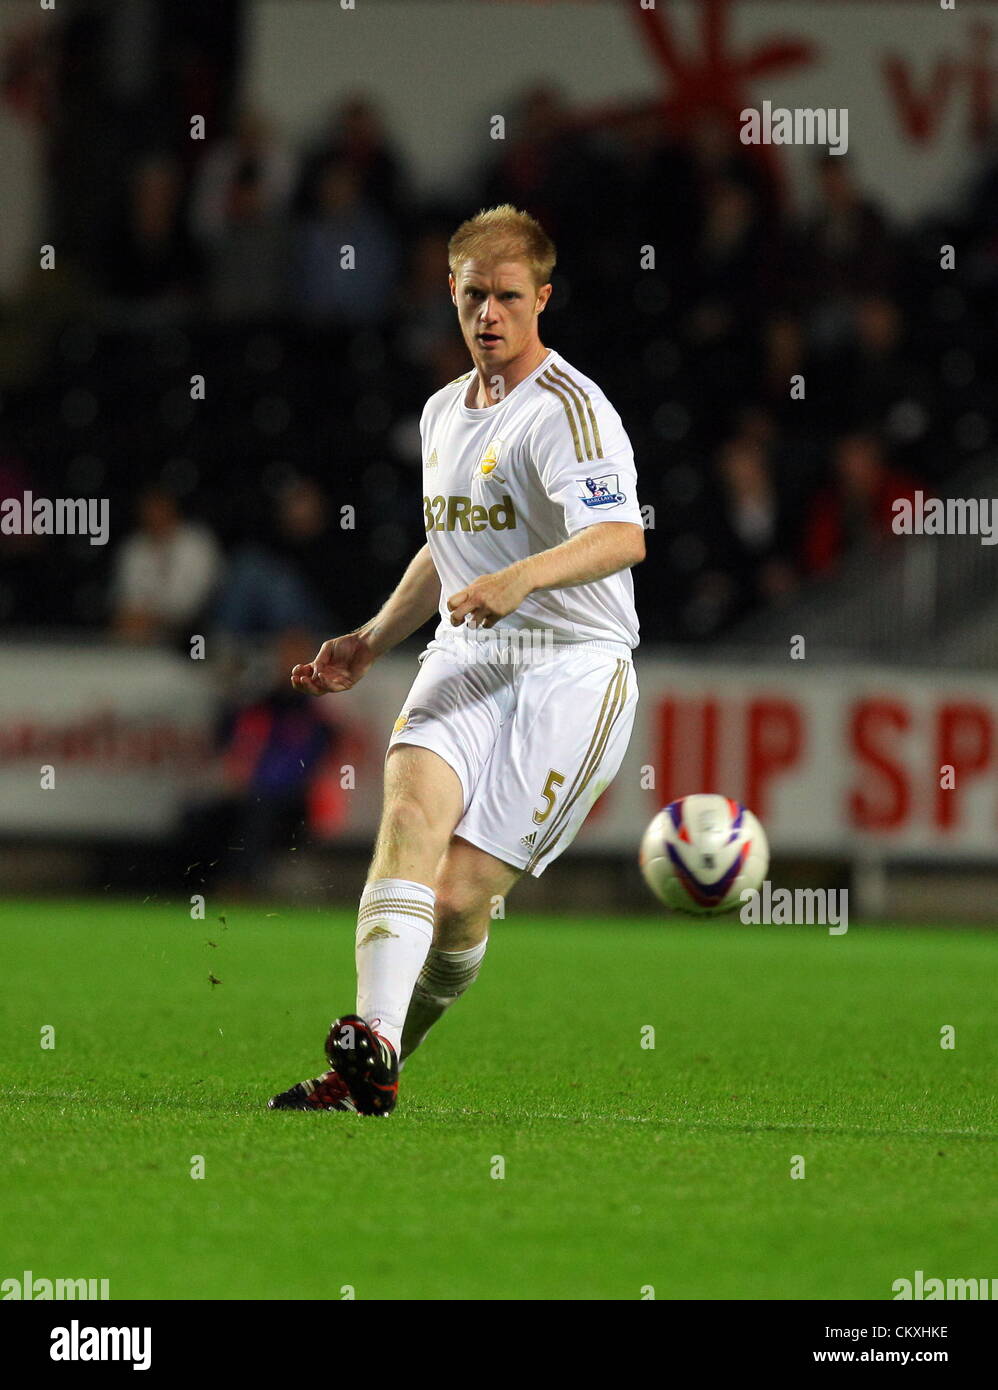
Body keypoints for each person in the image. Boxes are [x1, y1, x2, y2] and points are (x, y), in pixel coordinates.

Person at [270, 205, 646, 1116]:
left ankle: (390, 1050)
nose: (488, 315)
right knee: (406, 813)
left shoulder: (570, 411)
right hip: (467, 653)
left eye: (509, 298)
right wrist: (370, 637)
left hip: (572, 667)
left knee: (458, 901)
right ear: (450, 290)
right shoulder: (445, 412)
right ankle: (372, 1047)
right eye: (473, 294)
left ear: (541, 299)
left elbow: (621, 536)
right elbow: (449, 546)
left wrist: (521, 580)